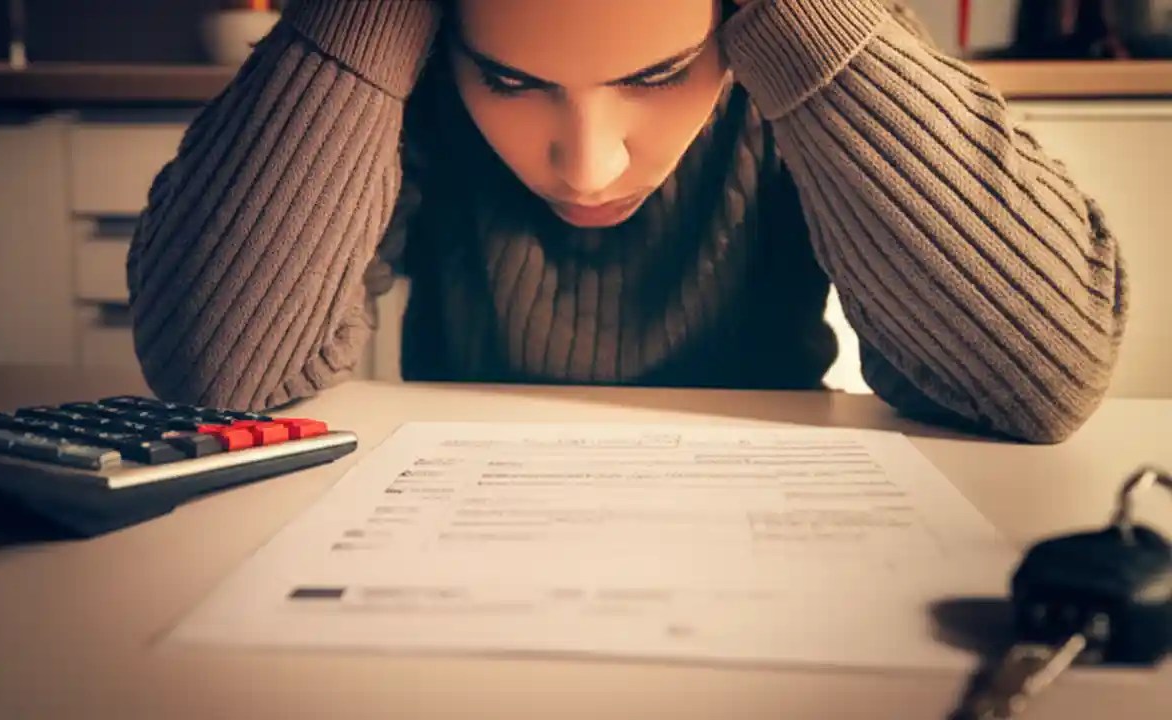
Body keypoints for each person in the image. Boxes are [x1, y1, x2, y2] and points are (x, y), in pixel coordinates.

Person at [127, 0, 1128, 444]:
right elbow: (230, 372)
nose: (590, 166)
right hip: (453, 510)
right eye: (510, 80)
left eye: (654, 76)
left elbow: (1041, 379)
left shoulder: (778, 55)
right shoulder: (419, 66)